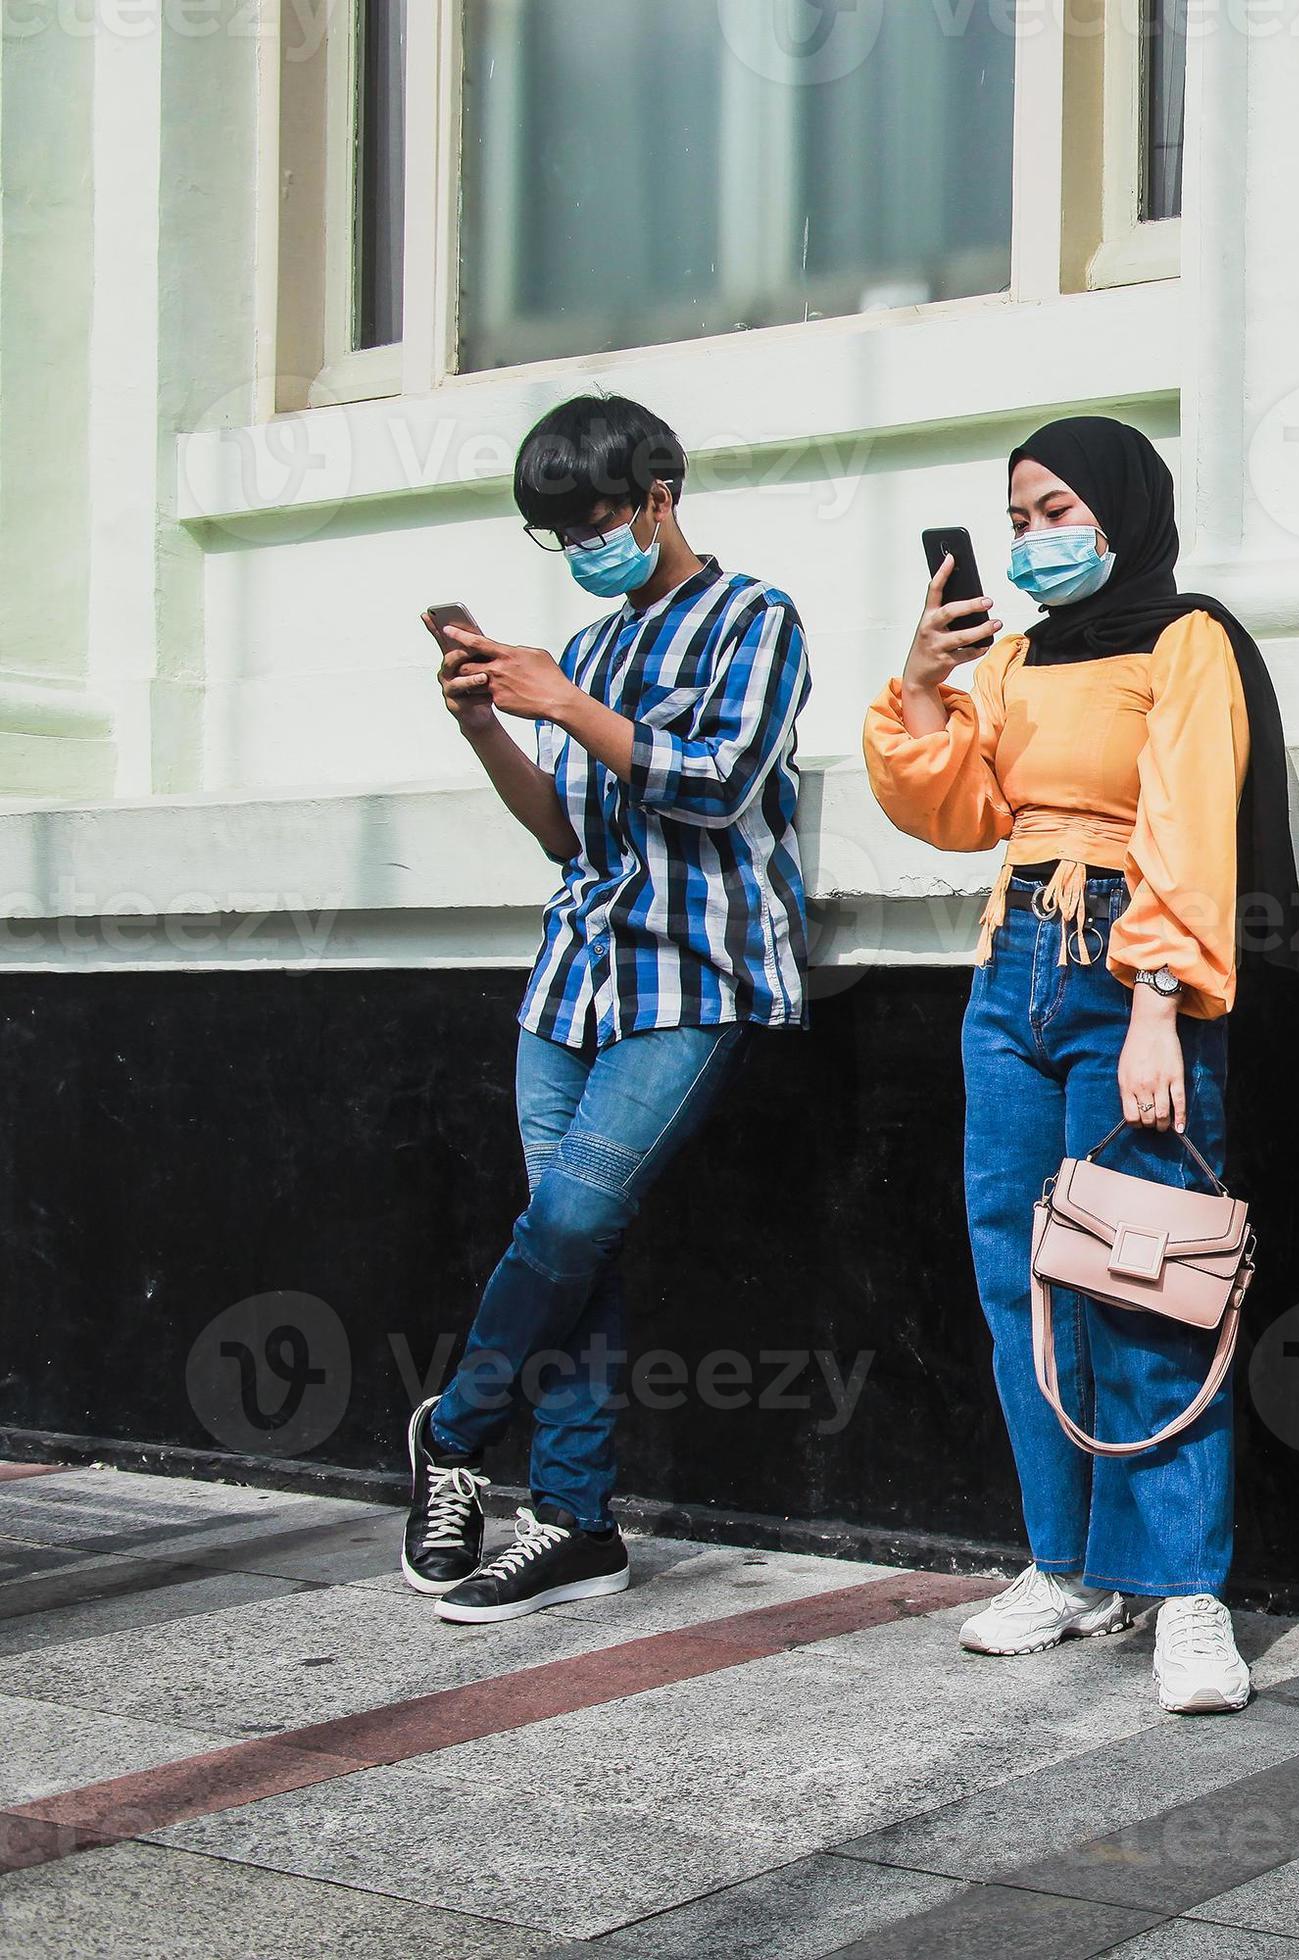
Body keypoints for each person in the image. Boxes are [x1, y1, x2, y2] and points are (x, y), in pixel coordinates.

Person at [862, 416, 1299, 1716]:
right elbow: (954, 808)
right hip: (1010, 971)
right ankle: (1064, 1565)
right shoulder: (1011, 660)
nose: (1033, 537)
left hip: (1129, 971)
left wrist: (1160, 1002)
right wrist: (928, 686)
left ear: (1120, 510)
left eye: (1057, 510)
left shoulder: (1184, 640)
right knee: (1022, 1283)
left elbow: (1186, 817)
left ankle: (1184, 1593)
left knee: (1150, 1276)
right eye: (1018, 518)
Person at [408, 393, 812, 1624]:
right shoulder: (580, 653)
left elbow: (718, 782)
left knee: (572, 1219)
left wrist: (563, 704)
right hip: (572, 976)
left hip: (698, 973)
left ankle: (457, 1427)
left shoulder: (757, 618)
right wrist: (489, 725)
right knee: (577, 1248)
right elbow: (568, 834)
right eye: (561, 533)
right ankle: (577, 1522)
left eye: (597, 521)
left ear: (658, 496)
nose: (587, 547)